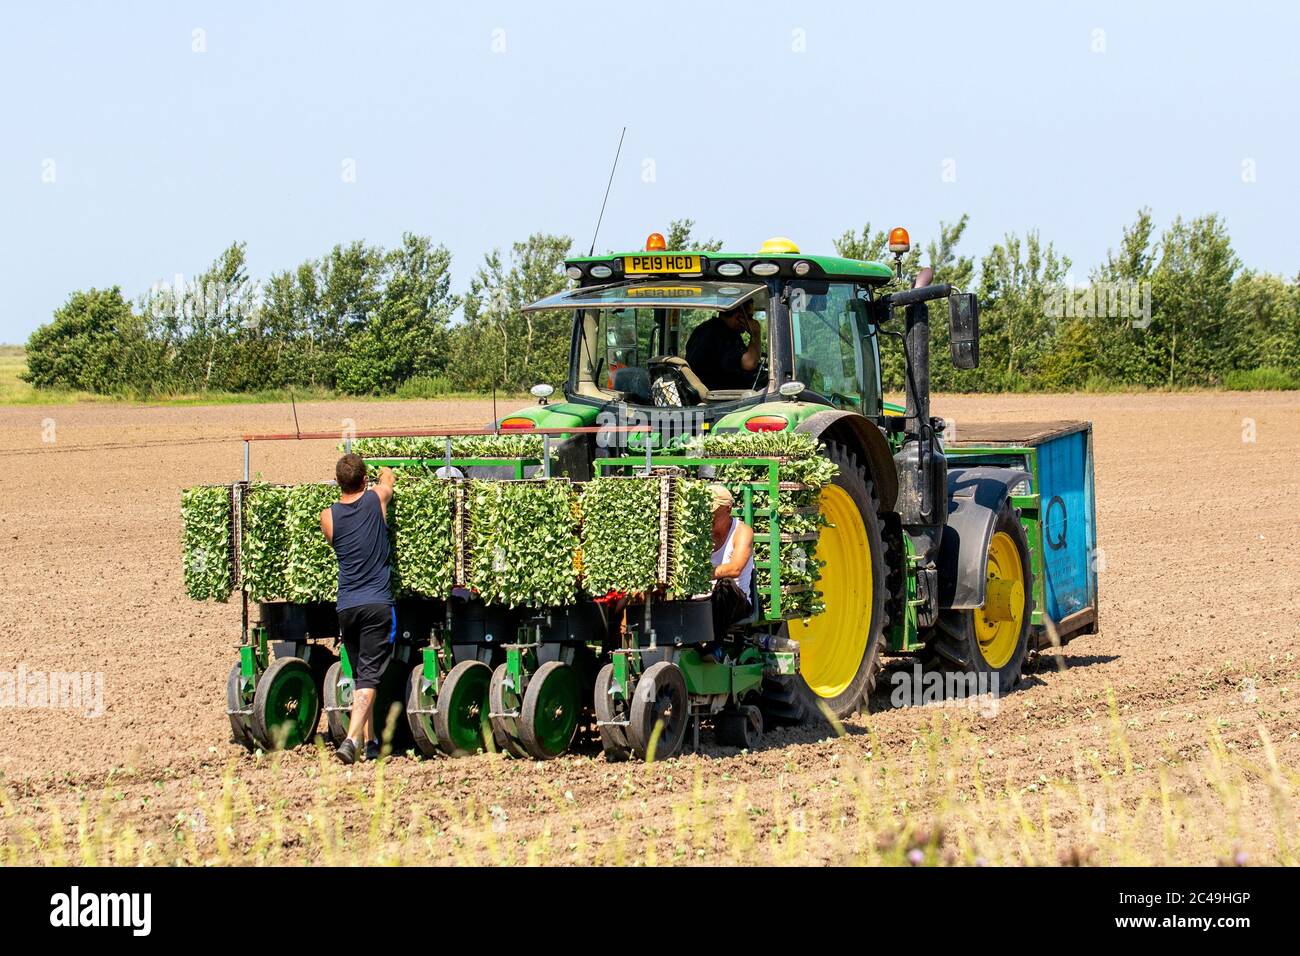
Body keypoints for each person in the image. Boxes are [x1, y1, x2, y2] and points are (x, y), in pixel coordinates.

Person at [319, 454, 396, 765]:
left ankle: (372, 740)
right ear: (365, 480)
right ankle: (352, 738)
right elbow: (387, 482)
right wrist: (386, 469)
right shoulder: (376, 499)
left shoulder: (328, 516)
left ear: (338, 482)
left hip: (347, 607)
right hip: (377, 604)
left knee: (364, 671)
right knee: (367, 679)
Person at [705, 484, 755, 656]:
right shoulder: (700, 532)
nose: (709, 515)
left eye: (714, 511)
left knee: (724, 585)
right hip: (704, 598)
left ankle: (714, 646)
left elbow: (735, 569)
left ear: (728, 509)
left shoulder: (742, 532)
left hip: (736, 602)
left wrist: (701, 574)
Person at [684, 300, 762, 391]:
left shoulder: (707, 329)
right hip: (719, 397)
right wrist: (756, 333)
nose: (753, 321)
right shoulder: (722, 334)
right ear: (739, 317)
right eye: (750, 317)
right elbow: (749, 363)